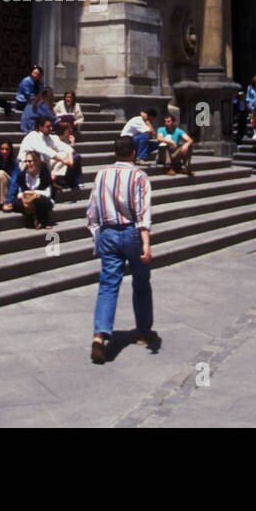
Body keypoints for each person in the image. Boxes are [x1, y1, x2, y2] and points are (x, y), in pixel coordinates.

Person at [88, 136, 155, 364]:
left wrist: (98, 233)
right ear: (134, 153)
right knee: (141, 282)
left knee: (108, 285)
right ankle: (144, 330)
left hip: (108, 232)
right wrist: (146, 241)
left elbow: (92, 209)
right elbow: (142, 211)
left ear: (114, 153)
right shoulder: (139, 176)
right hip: (132, 233)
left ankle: (100, 335)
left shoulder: (101, 174)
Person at [4, 151, 57, 230]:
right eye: (26, 161)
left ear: (36, 162)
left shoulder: (44, 172)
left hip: (40, 199)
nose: (27, 164)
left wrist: (33, 193)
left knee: (40, 201)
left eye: (30, 161)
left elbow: (48, 193)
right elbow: (19, 193)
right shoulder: (23, 175)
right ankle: (36, 217)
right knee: (15, 203)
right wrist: (25, 194)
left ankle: (42, 219)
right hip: (27, 200)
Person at [19, 114, 78, 179]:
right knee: (58, 157)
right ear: (40, 127)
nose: (51, 128)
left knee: (64, 154)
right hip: (26, 164)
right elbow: (45, 151)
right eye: (48, 127)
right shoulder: (33, 136)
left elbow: (64, 146)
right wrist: (63, 160)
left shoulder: (48, 137)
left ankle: (53, 176)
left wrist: (70, 158)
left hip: (41, 164)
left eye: (51, 126)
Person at [50, 122, 85, 199]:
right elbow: (67, 150)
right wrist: (72, 145)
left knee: (76, 157)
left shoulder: (64, 140)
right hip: (55, 163)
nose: (70, 131)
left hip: (62, 163)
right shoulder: (55, 138)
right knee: (76, 157)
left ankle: (74, 181)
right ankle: (75, 181)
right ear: (64, 131)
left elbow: (67, 149)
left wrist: (72, 143)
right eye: (69, 130)